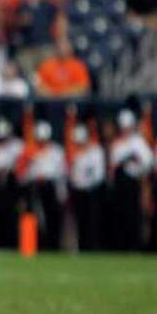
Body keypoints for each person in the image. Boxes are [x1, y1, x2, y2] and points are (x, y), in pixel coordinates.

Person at [17, 113, 66, 251]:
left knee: (53, 216)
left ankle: (54, 246)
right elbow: (22, 172)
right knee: (35, 217)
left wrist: (62, 192)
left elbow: (61, 173)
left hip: (51, 186)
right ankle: (36, 245)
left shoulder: (56, 151)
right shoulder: (28, 150)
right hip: (34, 187)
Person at [108, 108, 152, 252]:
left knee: (134, 214)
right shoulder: (117, 143)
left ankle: (135, 245)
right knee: (121, 215)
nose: (125, 130)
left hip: (134, 182)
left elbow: (147, 161)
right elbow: (113, 164)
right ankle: (122, 245)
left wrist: (135, 161)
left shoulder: (138, 141)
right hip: (120, 183)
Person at [65, 106, 105, 252]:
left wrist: (90, 181)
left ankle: (93, 247)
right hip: (78, 190)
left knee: (92, 221)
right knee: (80, 221)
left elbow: (99, 172)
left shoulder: (95, 150)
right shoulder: (74, 153)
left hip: (92, 191)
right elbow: (71, 173)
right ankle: (82, 247)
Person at [0, 117, 23, 247]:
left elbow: (19, 165)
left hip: (14, 185)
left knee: (13, 216)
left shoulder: (17, 145)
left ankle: (13, 244)